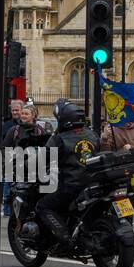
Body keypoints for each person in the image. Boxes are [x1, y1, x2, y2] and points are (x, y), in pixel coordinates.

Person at [32, 102, 99, 244]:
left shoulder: (59, 138)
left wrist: (25, 165)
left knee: (43, 206)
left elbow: (41, 159)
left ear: (63, 120)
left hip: (71, 185)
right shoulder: (92, 135)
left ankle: (64, 237)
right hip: (93, 183)